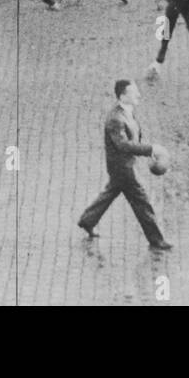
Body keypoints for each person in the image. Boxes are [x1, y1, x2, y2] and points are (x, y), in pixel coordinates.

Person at [76, 79, 173, 251]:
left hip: (124, 166)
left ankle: (87, 220)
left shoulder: (127, 111)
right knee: (142, 202)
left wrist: (146, 152)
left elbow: (135, 137)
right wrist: (151, 149)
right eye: (134, 92)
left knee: (110, 193)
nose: (139, 95)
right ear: (122, 96)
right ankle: (156, 240)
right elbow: (123, 145)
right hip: (123, 168)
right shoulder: (115, 119)